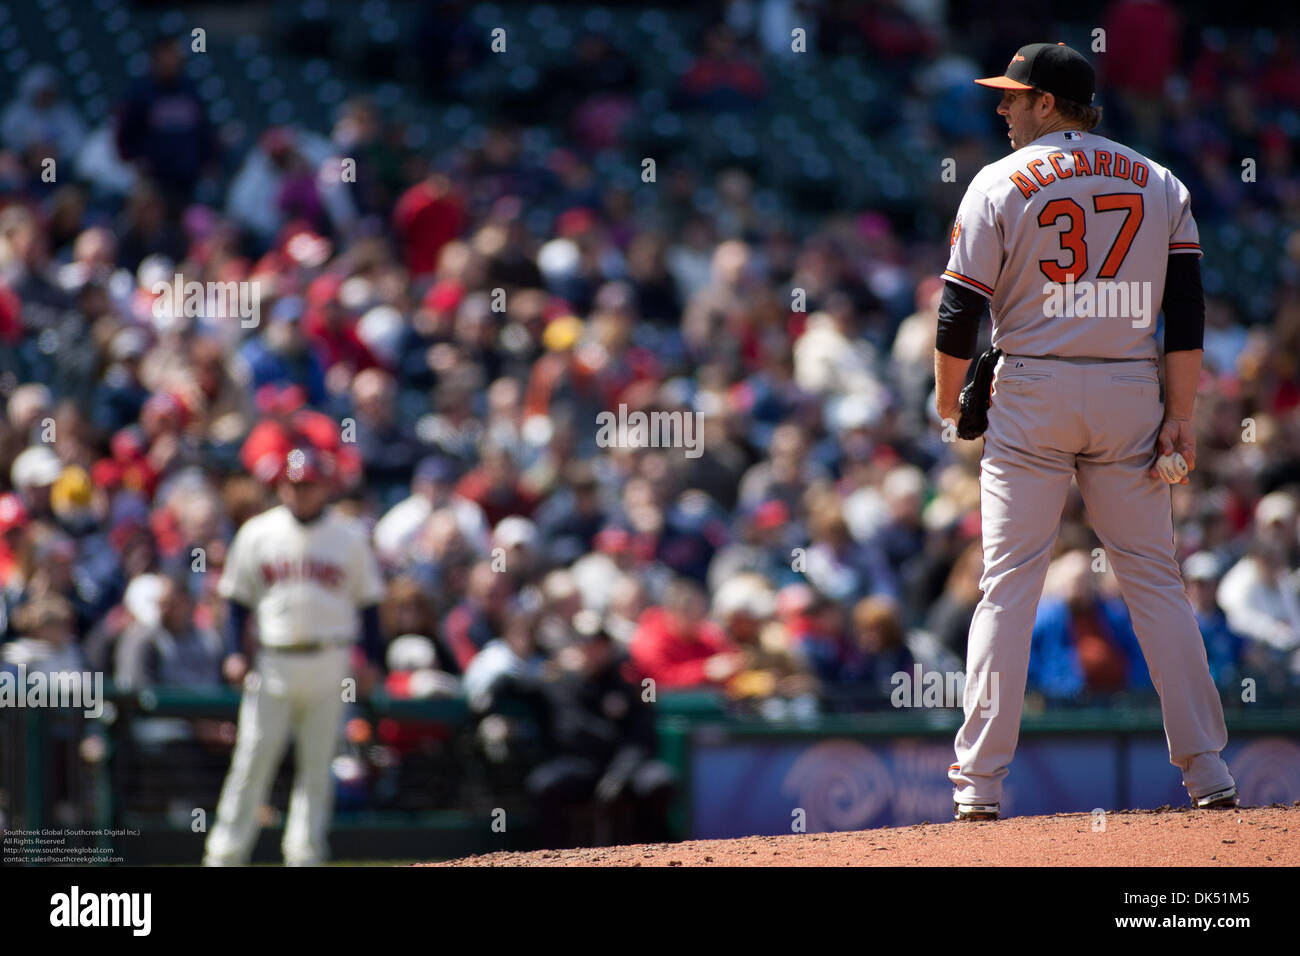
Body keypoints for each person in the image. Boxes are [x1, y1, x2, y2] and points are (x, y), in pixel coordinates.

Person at [935, 42, 1237, 821]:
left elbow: (958, 311)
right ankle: (1208, 773)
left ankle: (979, 789)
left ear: (1049, 103)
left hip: (1033, 384)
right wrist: (1179, 414)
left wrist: (946, 404)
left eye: (1014, 97)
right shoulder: (1161, 180)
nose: (1002, 108)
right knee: (1155, 579)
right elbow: (1188, 312)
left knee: (1007, 585)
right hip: (1129, 388)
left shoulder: (998, 181)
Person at [203, 445, 385, 866]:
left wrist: (372, 659)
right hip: (273, 660)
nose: (300, 492)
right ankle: (224, 856)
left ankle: (305, 856)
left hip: (329, 660)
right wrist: (234, 651)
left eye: (308, 485)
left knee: (318, 767)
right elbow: (235, 601)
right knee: (251, 761)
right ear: (280, 485)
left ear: (325, 486)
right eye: (292, 484)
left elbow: (370, 604)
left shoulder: (348, 535)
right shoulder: (258, 532)